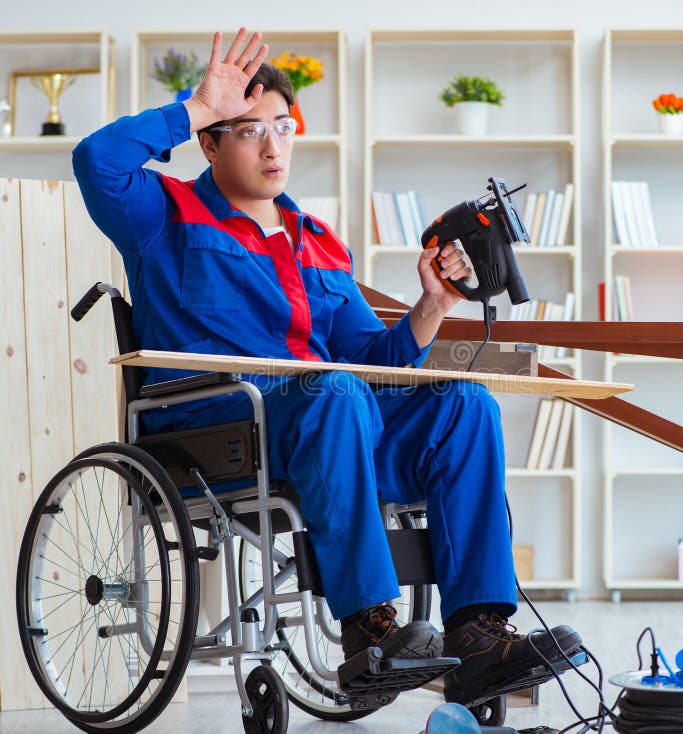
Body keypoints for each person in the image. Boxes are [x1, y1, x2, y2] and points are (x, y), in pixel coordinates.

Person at [73, 28, 581, 705]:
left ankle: (478, 635)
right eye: (248, 129)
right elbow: (94, 159)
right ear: (211, 143)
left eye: (282, 127)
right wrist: (199, 104)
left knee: (463, 403)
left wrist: (429, 305)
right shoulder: (162, 214)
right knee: (335, 393)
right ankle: (369, 629)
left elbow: (375, 361)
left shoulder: (317, 241)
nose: (272, 145)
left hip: (327, 421)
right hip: (218, 426)